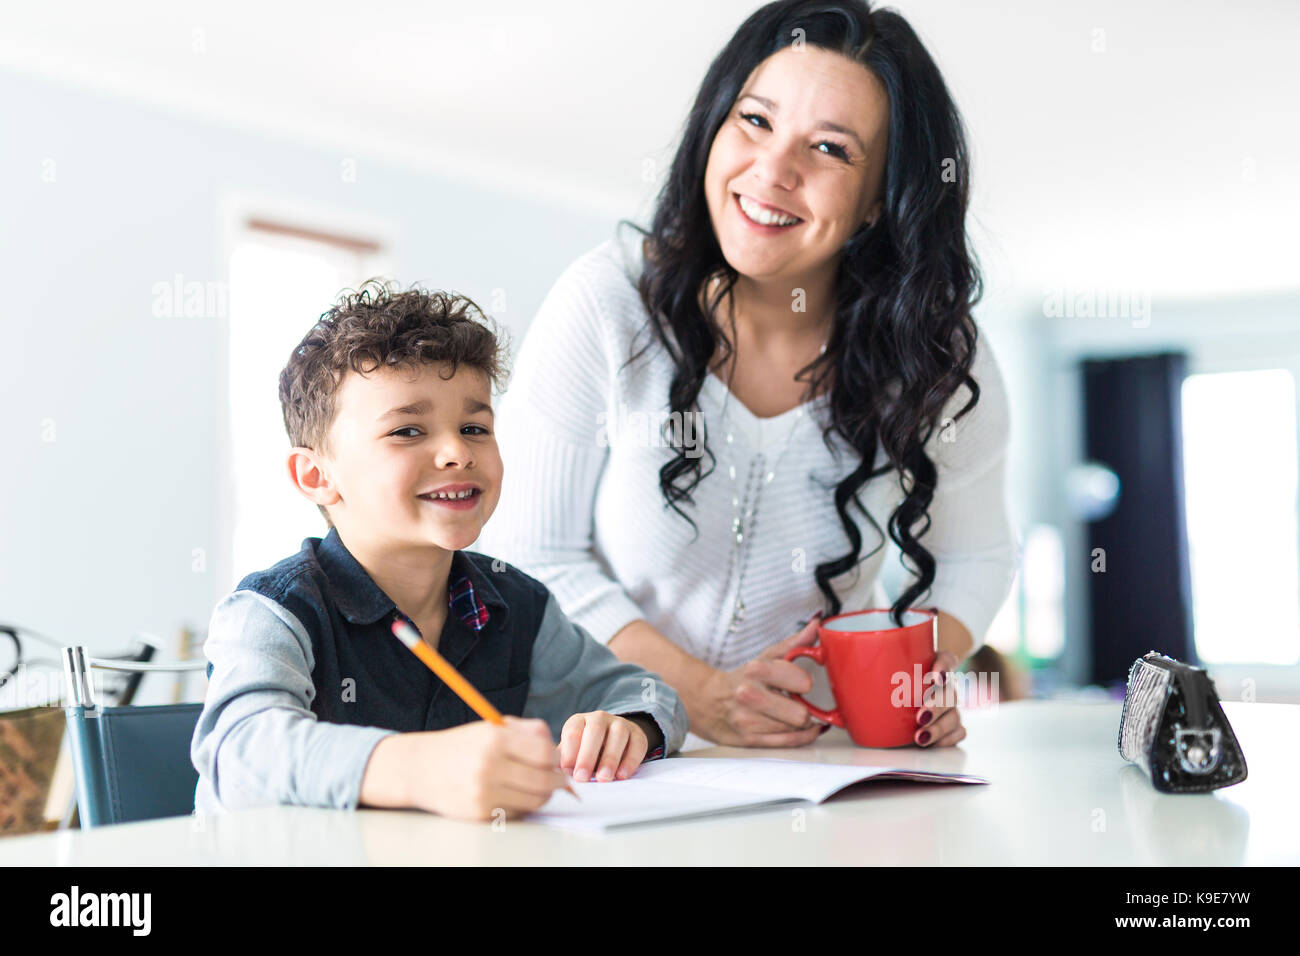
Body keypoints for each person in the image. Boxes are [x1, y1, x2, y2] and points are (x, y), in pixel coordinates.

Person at [478, 0, 1020, 750]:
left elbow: (975, 555)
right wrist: (698, 695)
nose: (773, 171)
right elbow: (533, 554)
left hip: (822, 760)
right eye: (755, 121)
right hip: (615, 749)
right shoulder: (606, 303)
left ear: (877, 202)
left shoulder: (938, 355)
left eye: (830, 149)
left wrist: (913, 678)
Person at [191, 282, 687, 822]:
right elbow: (240, 753)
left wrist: (628, 724)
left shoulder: (517, 605)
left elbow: (642, 690)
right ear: (317, 475)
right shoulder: (272, 612)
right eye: (407, 430)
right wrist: (417, 769)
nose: (456, 452)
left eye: (475, 427)